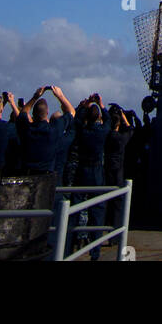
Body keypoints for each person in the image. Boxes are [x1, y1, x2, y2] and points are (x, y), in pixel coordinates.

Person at [72, 94, 111, 260]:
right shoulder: (102, 132)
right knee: (97, 211)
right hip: (96, 172)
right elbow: (108, 121)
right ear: (99, 118)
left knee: (75, 208)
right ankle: (95, 253)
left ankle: (70, 245)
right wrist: (101, 105)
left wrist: (84, 106)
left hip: (82, 169)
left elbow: (76, 120)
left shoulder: (82, 131)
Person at [16, 85, 74, 175]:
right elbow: (71, 113)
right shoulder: (54, 130)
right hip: (45, 177)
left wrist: (35, 97)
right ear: (47, 113)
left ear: (33, 114)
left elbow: (23, 113)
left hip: (27, 174)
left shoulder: (26, 128)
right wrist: (60, 96)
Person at [103, 106, 134, 246]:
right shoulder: (120, 139)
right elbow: (130, 129)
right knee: (116, 206)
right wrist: (123, 116)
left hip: (104, 173)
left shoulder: (103, 135)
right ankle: (114, 237)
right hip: (117, 174)